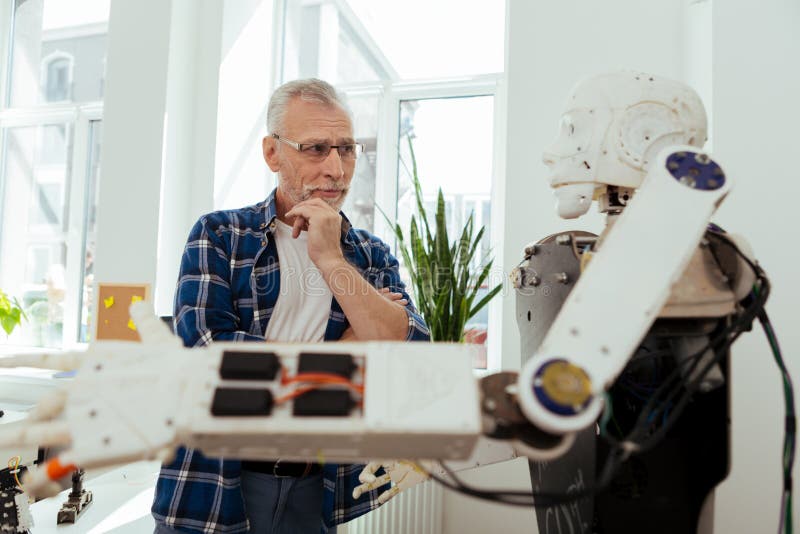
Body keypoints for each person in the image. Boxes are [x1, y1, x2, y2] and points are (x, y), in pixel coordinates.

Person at [151, 78, 430, 534]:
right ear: (272, 152)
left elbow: (410, 356)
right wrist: (346, 352)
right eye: (316, 148)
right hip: (213, 487)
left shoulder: (369, 256)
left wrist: (330, 259)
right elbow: (210, 361)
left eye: (347, 149)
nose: (337, 169)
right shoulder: (219, 236)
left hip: (315, 493)